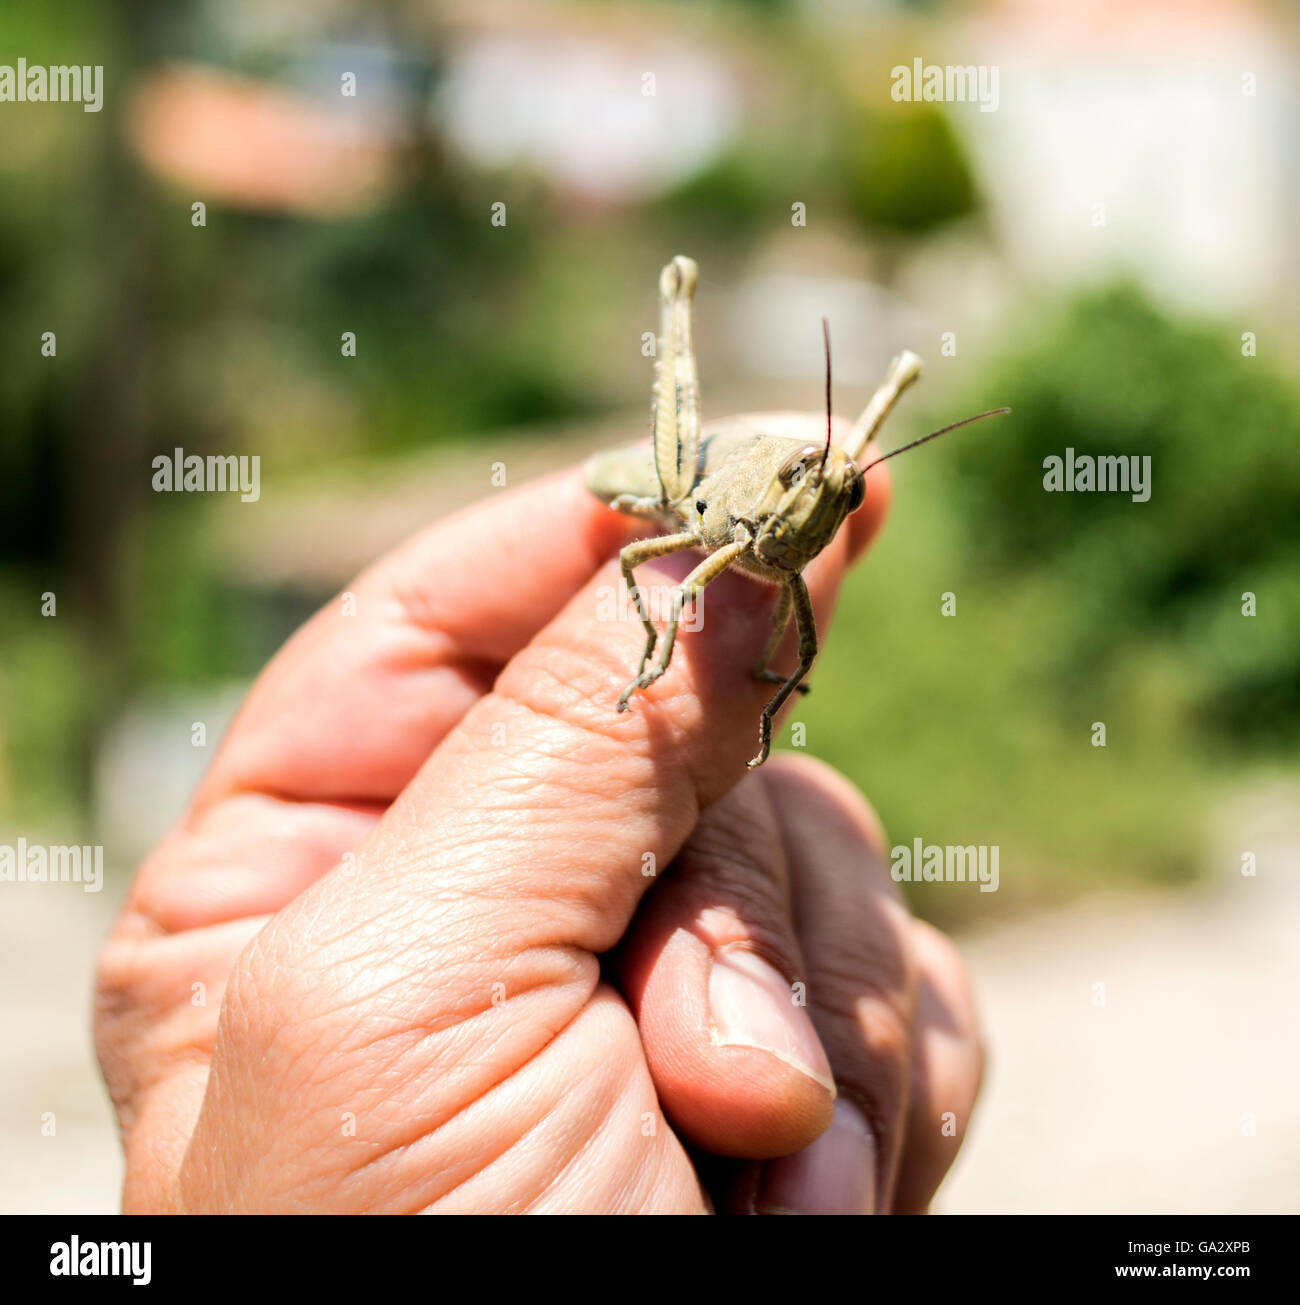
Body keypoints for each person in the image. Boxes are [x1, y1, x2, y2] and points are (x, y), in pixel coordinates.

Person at [93, 429, 983, 1214]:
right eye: (805, 481)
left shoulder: (797, 554)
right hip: (678, 479)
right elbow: (640, 566)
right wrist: (642, 667)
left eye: (839, 499)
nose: (817, 510)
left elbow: (800, 652)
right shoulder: (708, 537)